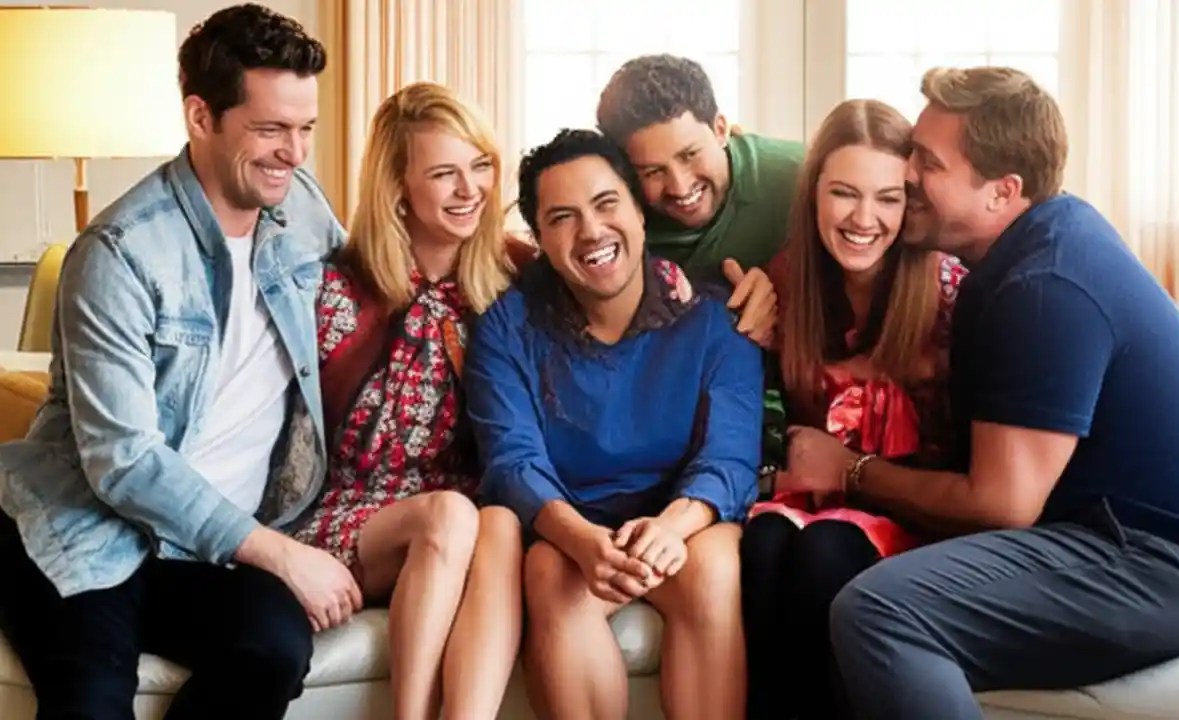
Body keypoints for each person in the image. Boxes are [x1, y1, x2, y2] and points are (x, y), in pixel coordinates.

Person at [780, 66, 1179, 719]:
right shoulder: (1019, 256)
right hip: (1103, 545)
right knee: (832, 575)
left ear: (1002, 192)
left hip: (1153, 567)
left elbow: (1002, 503)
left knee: (881, 613)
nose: (905, 175)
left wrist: (851, 471)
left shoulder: (1047, 285)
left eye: (927, 162)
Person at [0, 5, 350, 719]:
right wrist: (280, 554)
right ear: (201, 116)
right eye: (271, 129)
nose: (295, 152)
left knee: (273, 650)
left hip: (202, 552)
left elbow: (382, 287)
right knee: (91, 701)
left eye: (305, 128)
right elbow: (122, 460)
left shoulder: (303, 210)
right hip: (88, 530)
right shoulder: (119, 254)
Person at [465, 128, 764, 720]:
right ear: (540, 239)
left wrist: (675, 526)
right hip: (571, 523)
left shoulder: (714, 320)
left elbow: (730, 458)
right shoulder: (506, 329)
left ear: (638, 212)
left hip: (683, 518)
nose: (592, 232)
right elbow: (512, 460)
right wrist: (580, 539)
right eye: (563, 218)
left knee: (713, 567)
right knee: (552, 573)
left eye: (606, 205)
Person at [292, 82, 522, 720]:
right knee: (447, 516)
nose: (470, 189)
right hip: (352, 518)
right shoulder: (337, 288)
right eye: (445, 173)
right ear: (398, 186)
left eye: (480, 167)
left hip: (471, 522)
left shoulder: (514, 282)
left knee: (484, 521)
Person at [738, 99, 966, 720]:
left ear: (911, 204)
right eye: (844, 193)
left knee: (826, 553)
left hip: (914, 505)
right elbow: (755, 427)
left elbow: (973, 463)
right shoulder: (787, 282)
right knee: (760, 545)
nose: (864, 218)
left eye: (888, 198)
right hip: (809, 501)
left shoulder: (949, 293)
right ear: (813, 195)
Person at [597, 53, 794, 347]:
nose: (680, 186)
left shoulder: (799, 179)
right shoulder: (609, 224)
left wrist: (787, 326)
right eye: (652, 171)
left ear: (719, 129)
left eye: (690, 155)